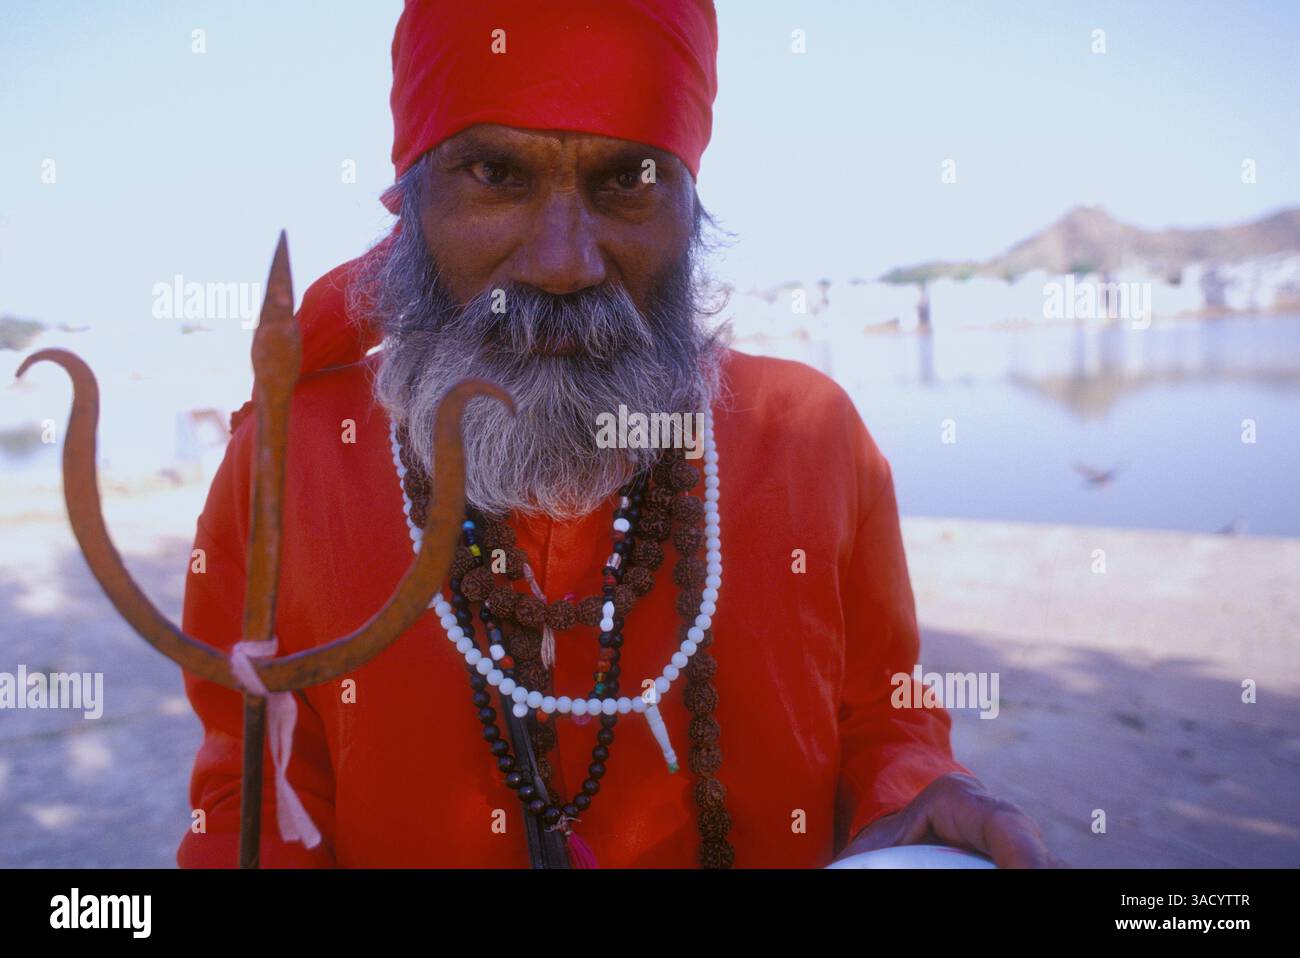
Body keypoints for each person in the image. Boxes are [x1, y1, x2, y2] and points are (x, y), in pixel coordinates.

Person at [177, 0, 1055, 868]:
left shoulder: (811, 436)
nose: (564, 262)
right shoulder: (289, 466)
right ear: (407, 209)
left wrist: (912, 798)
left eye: (628, 180)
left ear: (692, 215)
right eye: (495, 173)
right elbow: (252, 795)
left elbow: (884, 713)